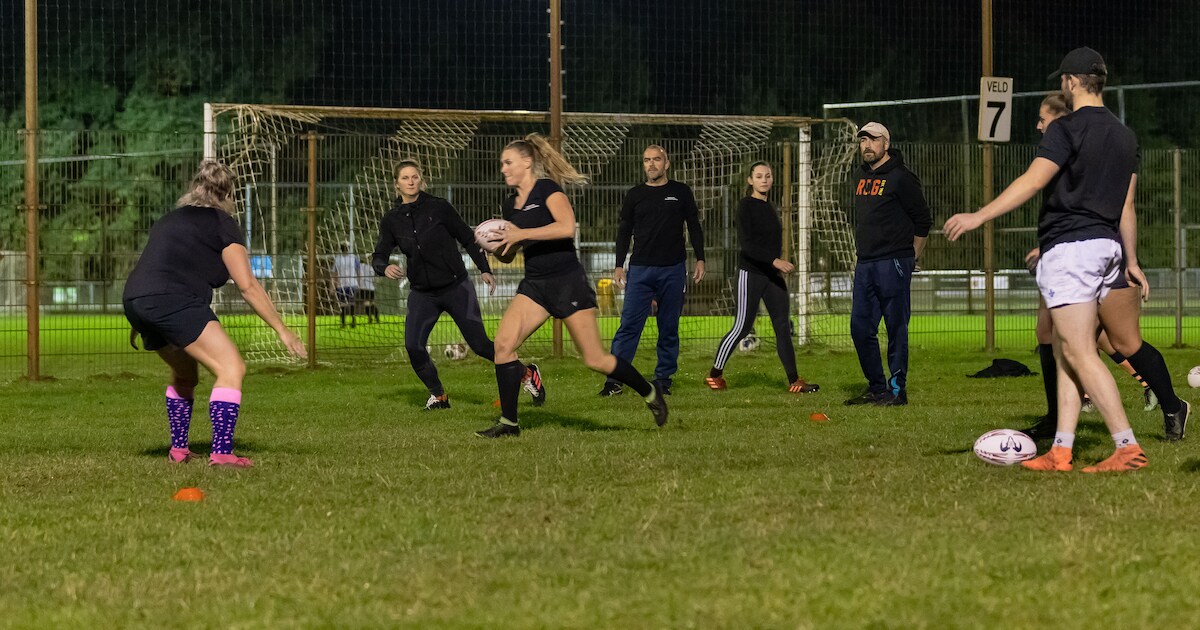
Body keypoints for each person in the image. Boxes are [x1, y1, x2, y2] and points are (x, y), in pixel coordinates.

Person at [945, 47, 1173, 472]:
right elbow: (1127, 205)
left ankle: (1126, 447)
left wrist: (979, 215)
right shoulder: (1125, 135)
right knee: (1071, 351)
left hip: (1070, 249)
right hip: (1107, 249)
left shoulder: (1066, 128)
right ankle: (1062, 450)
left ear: (1070, 82)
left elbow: (1034, 180)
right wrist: (1132, 258)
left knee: (1082, 354)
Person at [476, 134, 668, 438]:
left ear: (527, 162)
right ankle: (509, 424)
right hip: (535, 286)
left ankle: (649, 392)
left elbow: (566, 227)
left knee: (595, 359)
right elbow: (512, 250)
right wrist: (497, 244)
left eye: (508, 162)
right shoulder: (510, 204)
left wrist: (521, 232)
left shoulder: (548, 189)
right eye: (502, 163)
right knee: (502, 346)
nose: (503, 168)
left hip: (567, 282)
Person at [123, 160, 307, 468]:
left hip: (137, 301)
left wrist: (145, 311)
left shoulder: (169, 220)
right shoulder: (222, 222)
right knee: (231, 368)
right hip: (173, 300)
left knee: (185, 374)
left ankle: (179, 450)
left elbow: (156, 265)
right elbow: (247, 286)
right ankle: (222, 453)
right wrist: (282, 330)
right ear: (227, 195)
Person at [1022, 94, 1179, 438]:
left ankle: (1171, 406)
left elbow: (1124, 206)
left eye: (1043, 118)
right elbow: (1071, 209)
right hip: (1073, 253)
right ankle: (1057, 422)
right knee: (1049, 334)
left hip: (1102, 253)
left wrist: (1132, 261)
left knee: (1123, 342)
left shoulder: (1096, 145)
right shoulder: (1075, 149)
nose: (1039, 125)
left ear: (1064, 119)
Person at [371, 160, 545, 411]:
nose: (410, 182)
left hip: (456, 288)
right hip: (423, 294)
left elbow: (468, 238)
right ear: (396, 184)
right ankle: (438, 396)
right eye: (405, 178)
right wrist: (383, 267)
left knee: (481, 345)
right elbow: (379, 255)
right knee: (413, 346)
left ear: (422, 180)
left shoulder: (439, 207)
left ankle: (527, 374)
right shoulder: (391, 219)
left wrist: (484, 269)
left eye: (414, 177)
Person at [598, 145, 705, 397]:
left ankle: (663, 379)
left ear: (666, 163)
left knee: (668, 326)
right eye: (647, 160)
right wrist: (618, 265)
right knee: (628, 326)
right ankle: (615, 380)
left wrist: (700, 259)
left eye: (657, 159)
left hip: (673, 270)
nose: (652, 164)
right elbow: (624, 231)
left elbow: (694, 226)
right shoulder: (635, 194)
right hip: (640, 270)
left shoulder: (681, 192)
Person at [705, 161, 819, 394]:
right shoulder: (746, 206)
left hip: (772, 276)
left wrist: (775, 265)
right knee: (742, 327)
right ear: (750, 181)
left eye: (768, 175)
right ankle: (714, 375)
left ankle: (794, 380)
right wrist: (775, 261)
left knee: (782, 326)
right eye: (759, 176)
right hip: (752, 274)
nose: (764, 179)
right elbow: (748, 247)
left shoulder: (771, 207)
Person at [845, 122, 932, 407]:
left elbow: (923, 221)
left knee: (896, 328)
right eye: (863, 141)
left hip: (893, 262)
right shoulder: (859, 176)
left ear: (886, 143)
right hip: (865, 263)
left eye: (873, 140)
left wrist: (911, 258)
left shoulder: (901, 178)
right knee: (860, 327)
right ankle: (876, 387)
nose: (866, 145)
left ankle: (897, 390)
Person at [332, 243, 359, 328]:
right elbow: (335, 274)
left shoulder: (352, 258)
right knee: (345, 305)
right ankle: (348, 321)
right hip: (345, 285)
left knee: (347, 304)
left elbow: (358, 271)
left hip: (349, 284)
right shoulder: (339, 259)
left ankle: (348, 322)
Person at [357, 255, 380, 324]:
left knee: (368, 304)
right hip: (368, 288)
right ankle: (374, 317)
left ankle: (372, 318)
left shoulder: (364, 266)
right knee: (369, 304)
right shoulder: (369, 267)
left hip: (366, 288)